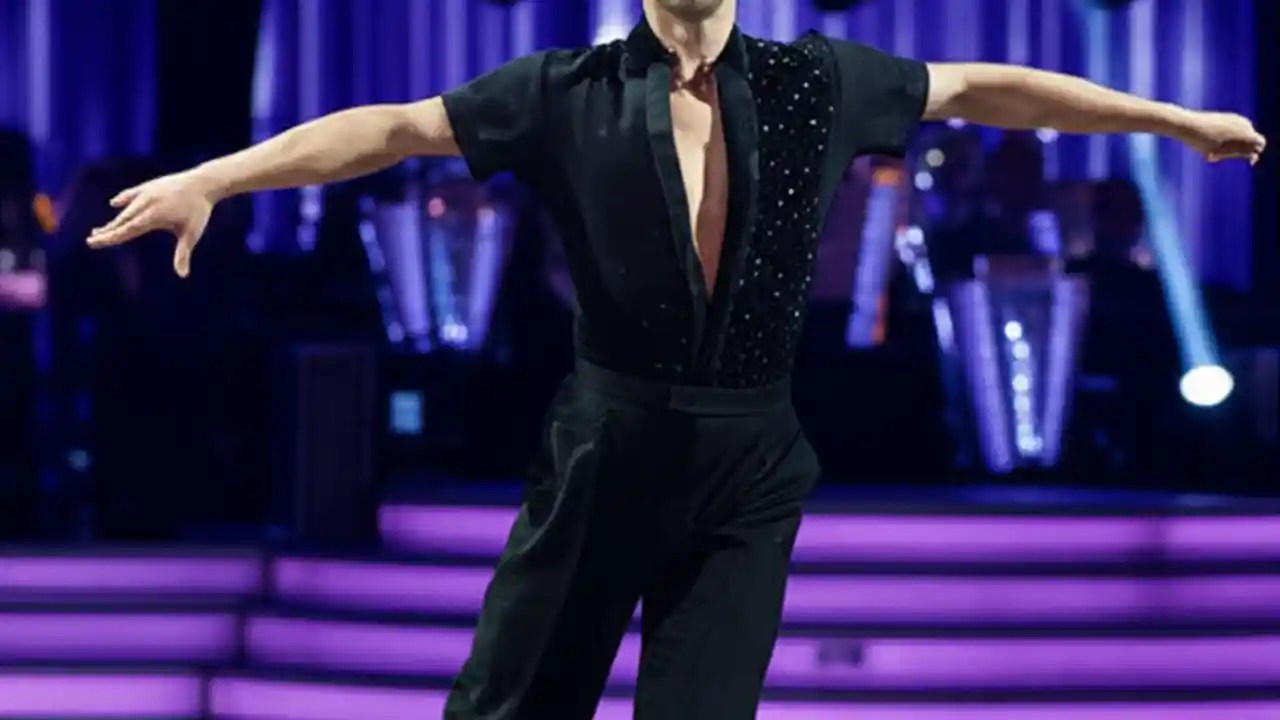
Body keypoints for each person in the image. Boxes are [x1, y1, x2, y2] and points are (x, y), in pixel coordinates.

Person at [86, 0, 1265, 716]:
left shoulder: (815, 84)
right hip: (606, 448)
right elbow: (389, 128)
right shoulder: (565, 93)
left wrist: (1170, 122)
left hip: (748, 465)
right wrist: (214, 178)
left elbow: (984, 89)